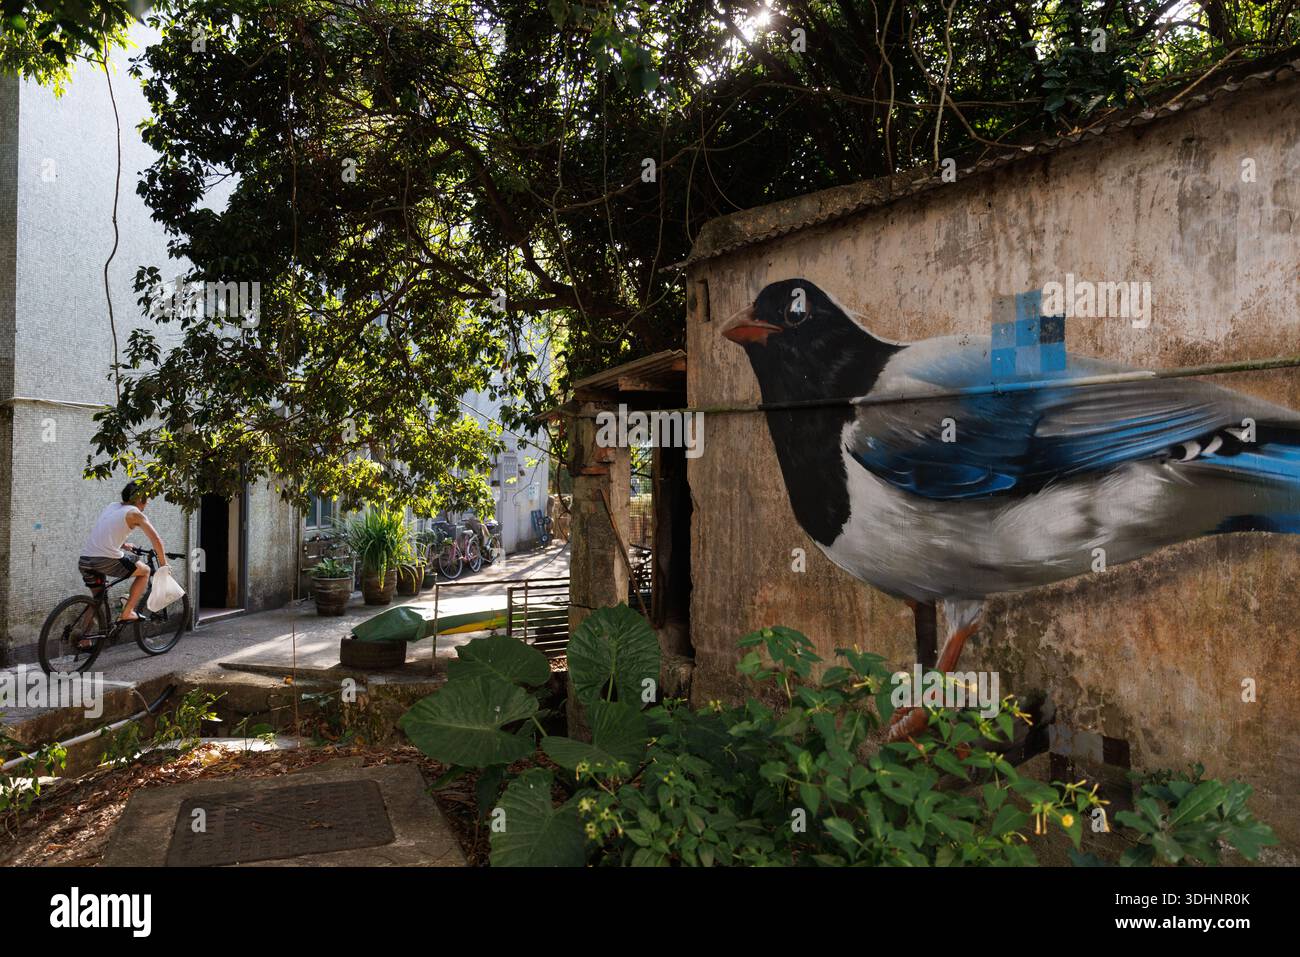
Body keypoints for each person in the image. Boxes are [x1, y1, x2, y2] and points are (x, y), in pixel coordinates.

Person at [78, 481, 169, 624]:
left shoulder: (112, 506)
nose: (147, 504)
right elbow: (156, 539)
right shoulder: (135, 513)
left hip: (85, 560)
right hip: (105, 560)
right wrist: (164, 566)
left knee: (97, 599)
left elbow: (107, 532)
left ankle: (83, 639)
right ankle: (127, 612)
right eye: (147, 499)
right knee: (145, 571)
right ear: (140, 499)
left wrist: (123, 545)